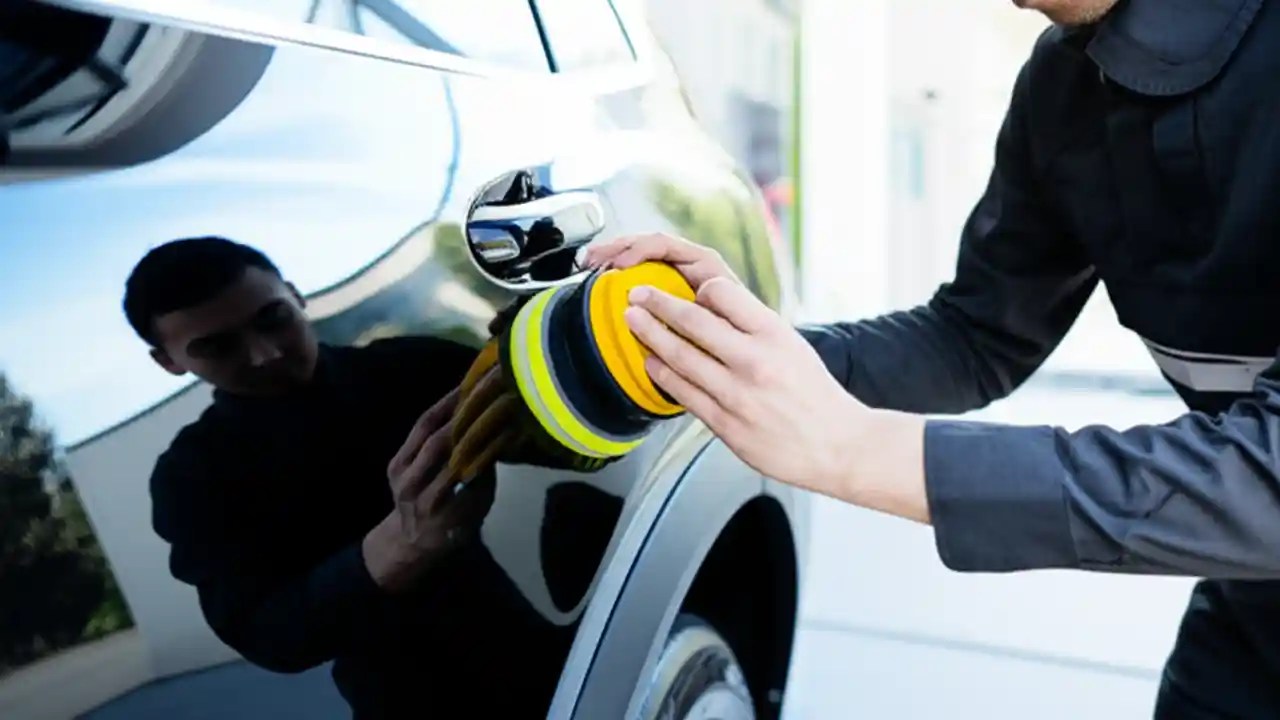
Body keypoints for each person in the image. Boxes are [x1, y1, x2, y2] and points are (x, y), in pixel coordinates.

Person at [574, 0, 1280, 716]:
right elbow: (976, 339)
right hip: (1247, 631)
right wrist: (743, 357)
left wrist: (859, 451)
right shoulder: (1065, 86)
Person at [125, 236, 568, 717]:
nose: (264, 354)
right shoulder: (190, 478)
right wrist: (400, 546)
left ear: (296, 296)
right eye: (217, 347)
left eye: (272, 319)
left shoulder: (411, 367)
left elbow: (569, 445)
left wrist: (549, 357)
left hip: (554, 654)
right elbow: (268, 635)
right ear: (168, 362)